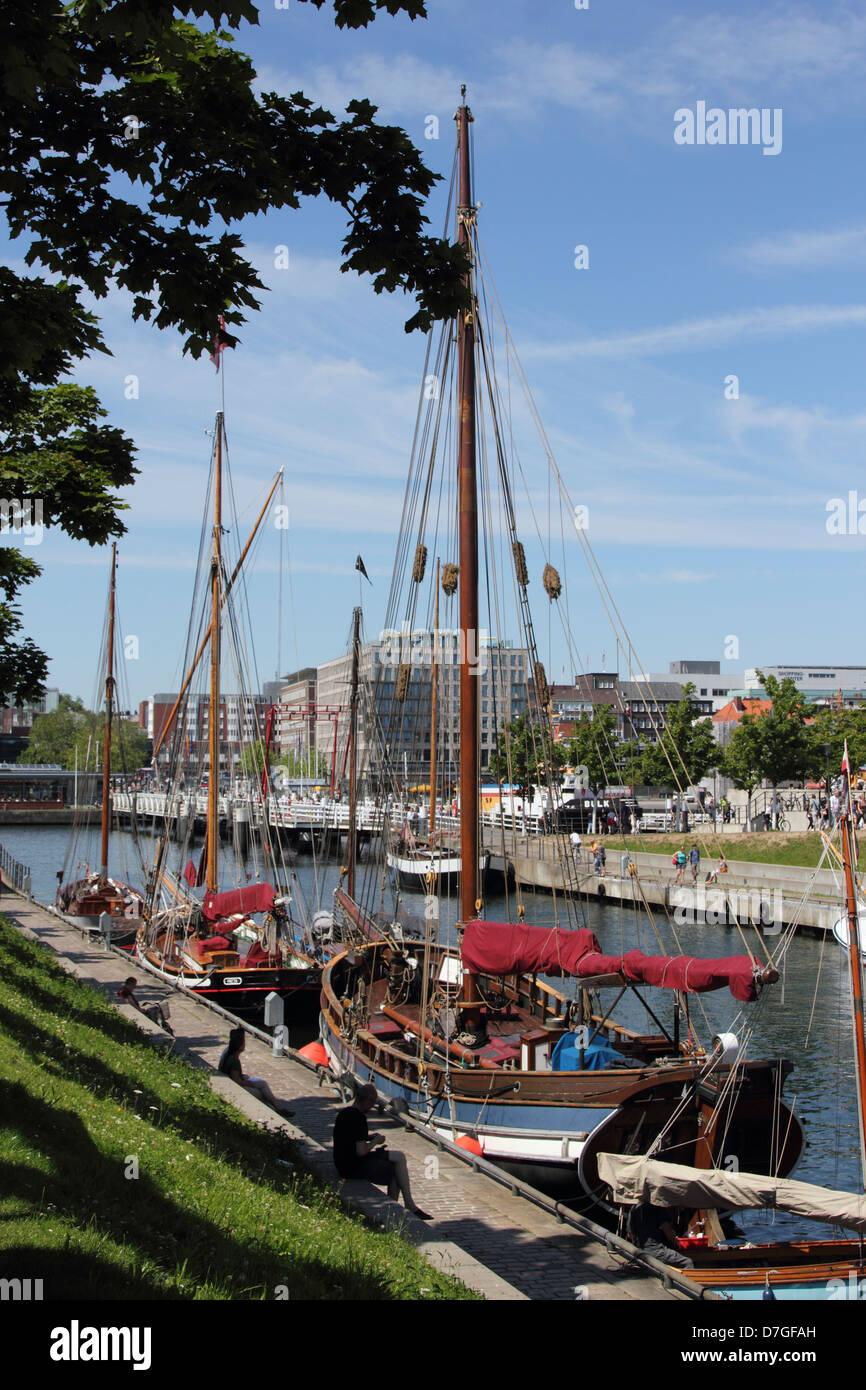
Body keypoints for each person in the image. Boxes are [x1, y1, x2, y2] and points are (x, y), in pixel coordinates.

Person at [333, 1083, 431, 1219]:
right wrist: (375, 1141)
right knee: (397, 1166)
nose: (372, 1107)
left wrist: (368, 1137)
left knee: (397, 1162)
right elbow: (361, 1151)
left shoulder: (344, 1113)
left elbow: (351, 1138)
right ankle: (400, 1209)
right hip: (353, 1166)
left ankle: (401, 1208)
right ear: (368, 1101)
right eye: (372, 1103)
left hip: (342, 1162)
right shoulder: (359, 1118)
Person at [218, 1027, 295, 1117]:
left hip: (233, 1082)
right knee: (262, 1089)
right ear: (239, 1046)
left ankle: (277, 1109)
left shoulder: (228, 1054)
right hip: (236, 1087)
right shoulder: (234, 1060)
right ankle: (278, 1110)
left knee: (262, 1086)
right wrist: (249, 1083)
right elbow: (236, 1081)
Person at [628, 1201, 694, 1269]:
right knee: (688, 1262)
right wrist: (675, 1242)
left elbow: (631, 1234)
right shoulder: (657, 1207)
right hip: (657, 1250)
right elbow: (667, 1230)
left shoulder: (634, 1208)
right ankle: (685, 1280)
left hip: (640, 1251)